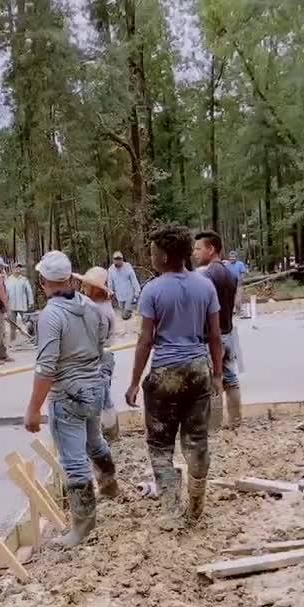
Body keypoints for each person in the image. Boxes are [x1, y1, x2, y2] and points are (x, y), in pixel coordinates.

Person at [126, 223, 223, 524]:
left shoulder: (152, 290)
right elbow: (215, 336)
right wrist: (217, 374)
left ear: (166, 256)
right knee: (196, 439)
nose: (151, 256)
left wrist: (133, 382)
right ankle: (196, 500)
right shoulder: (205, 286)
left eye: (154, 251)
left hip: (165, 373)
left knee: (159, 444)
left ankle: (171, 510)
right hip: (197, 370)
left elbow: (145, 340)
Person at [24, 251, 118, 547]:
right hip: (94, 389)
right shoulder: (89, 305)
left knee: (75, 461)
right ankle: (110, 486)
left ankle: (83, 525)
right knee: (96, 443)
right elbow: (100, 344)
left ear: (43, 283)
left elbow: (46, 368)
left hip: (68, 395)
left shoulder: (51, 315)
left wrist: (33, 408)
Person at [194, 232, 244, 428]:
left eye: (198, 248)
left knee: (212, 379)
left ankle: (214, 424)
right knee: (230, 377)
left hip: (211, 337)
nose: (195, 252)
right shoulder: (230, 274)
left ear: (211, 249)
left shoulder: (206, 277)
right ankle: (235, 419)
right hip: (228, 332)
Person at [73, 266, 119, 440]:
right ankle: (109, 432)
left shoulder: (98, 310)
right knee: (104, 394)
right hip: (104, 355)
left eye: (86, 286)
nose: (83, 289)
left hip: (101, 356)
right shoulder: (100, 306)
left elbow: (96, 339)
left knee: (102, 397)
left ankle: (107, 433)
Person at [6, 262, 34, 344]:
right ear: (13, 269)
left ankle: (32, 338)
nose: (18, 269)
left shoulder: (24, 279)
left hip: (22, 305)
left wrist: (31, 302)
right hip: (12, 305)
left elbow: (29, 291)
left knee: (27, 322)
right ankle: (12, 341)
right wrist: (5, 304)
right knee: (12, 325)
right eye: (16, 268)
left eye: (19, 268)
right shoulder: (9, 280)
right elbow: (6, 293)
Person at [107, 251, 140, 320]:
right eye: (115, 259)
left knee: (125, 315)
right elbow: (110, 283)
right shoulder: (111, 270)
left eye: (119, 259)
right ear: (113, 260)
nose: (117, 261)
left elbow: (134, 279)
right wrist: (110, 293)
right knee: (122, 311)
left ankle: (129, 312)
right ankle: (128, 318)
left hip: (129, 293)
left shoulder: (128, 266)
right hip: (119, 295)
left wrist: (137, 291)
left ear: (122, 259)